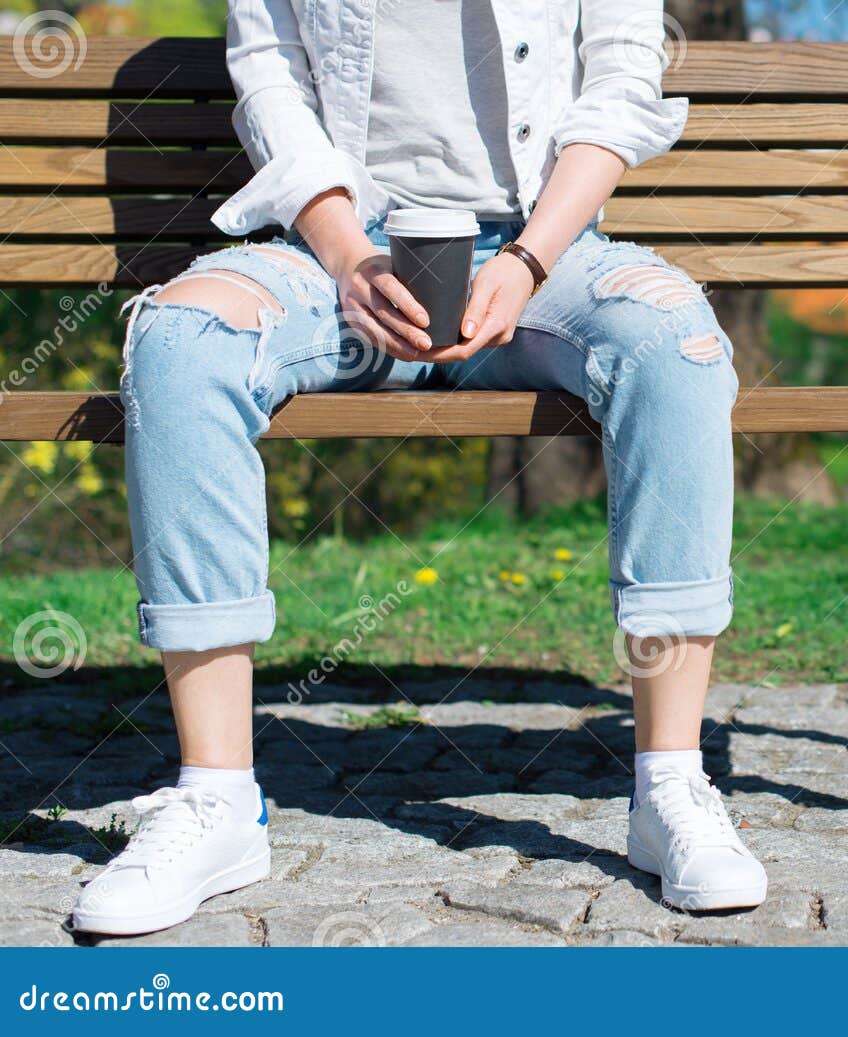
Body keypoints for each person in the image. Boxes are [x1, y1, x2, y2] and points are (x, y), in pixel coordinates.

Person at [71, 0, 766, 936]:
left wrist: (526, 257)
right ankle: (217, 798)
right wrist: (351, 256)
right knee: (182, 341)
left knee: (675, 346)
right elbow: (271, 77)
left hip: (547, 256)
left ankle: (670, 787)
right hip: (337, 265)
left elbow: (620, 86)